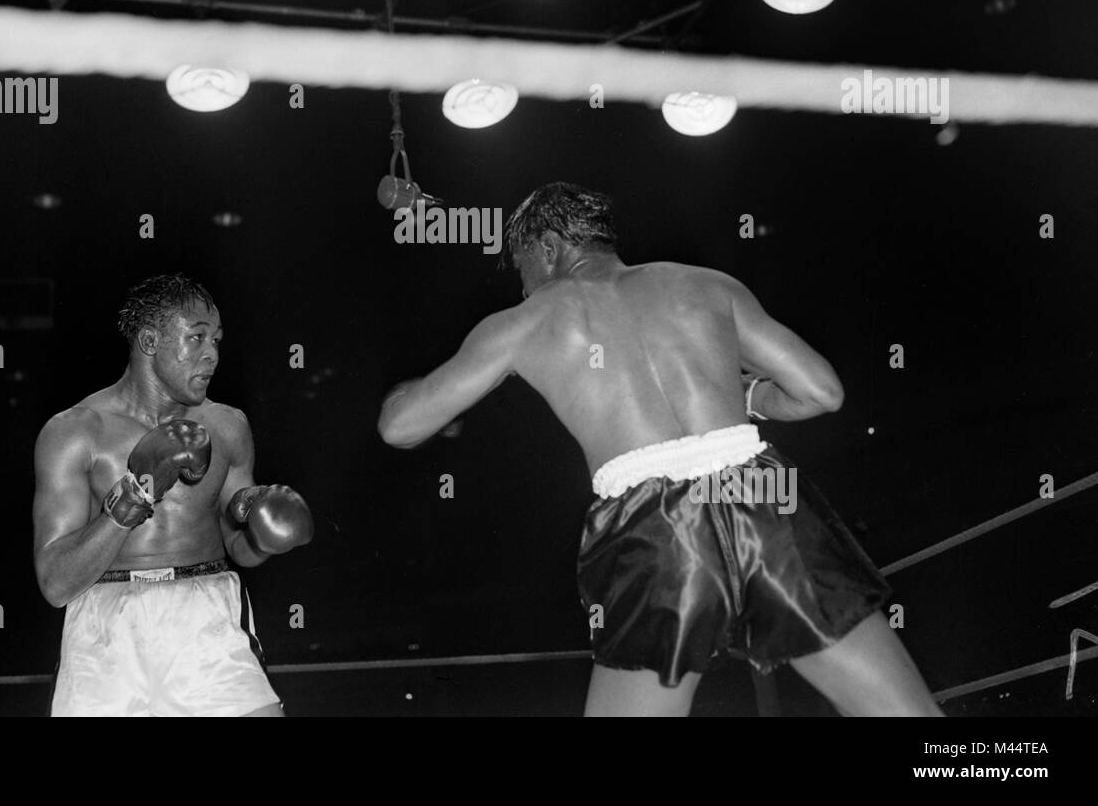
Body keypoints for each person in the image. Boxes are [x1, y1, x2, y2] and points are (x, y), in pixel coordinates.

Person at [377, 183, 942, 717]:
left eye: (520, 266)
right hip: (763, 496)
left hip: (656, 529)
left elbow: (400, 427)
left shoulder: (523, 323)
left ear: (547, 246)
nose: (521, 286)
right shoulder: (706, 284)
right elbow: (821, 391)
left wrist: (414, 386)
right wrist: (746, 395)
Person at [33, 273, 313, 716]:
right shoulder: (75, 432)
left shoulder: (227, 426)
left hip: (205, 620)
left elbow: (239, 547)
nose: (212, 355)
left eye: (217, 340)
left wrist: (263, 532)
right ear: (149, 340)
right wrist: (129, 504)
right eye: (196, 338)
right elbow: (55, 582)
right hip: (105, 631)